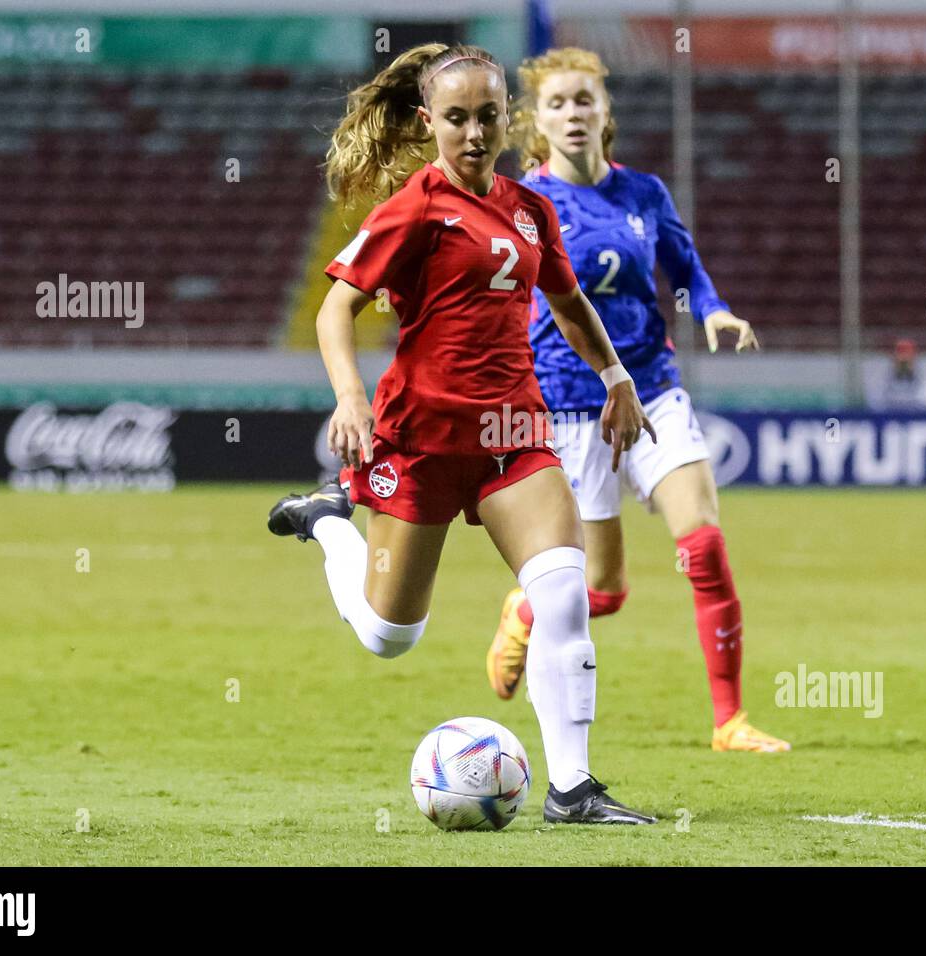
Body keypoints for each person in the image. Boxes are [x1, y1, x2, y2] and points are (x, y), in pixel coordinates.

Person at [266, 44, 658, 824]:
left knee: (563, 592)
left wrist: (618, 379)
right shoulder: (415, 207)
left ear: (507, 119)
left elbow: (572, 305)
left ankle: (572, 789)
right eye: (456, 119)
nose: (473, 133)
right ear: (428, 122)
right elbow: (336, 308)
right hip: (421, 442)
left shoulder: (529, 207)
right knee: (387, 636)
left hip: (515, 435)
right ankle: (328, 525)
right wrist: (350, 399)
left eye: (487, 116)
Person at [483, 47, 790, 754]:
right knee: (606, 591)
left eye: (585, 99)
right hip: (569, 407)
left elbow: (686, 267)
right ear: (537, 120)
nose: (573, 113)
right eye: (558, 102)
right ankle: (525, 610)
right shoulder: (522, 203)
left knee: (704, 542)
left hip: (651, 387)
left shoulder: (645, 193)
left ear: (605, 111)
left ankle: (730, 721)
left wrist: (713, 311)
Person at [871, 338, 926, 411]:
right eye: (900, 355)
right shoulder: (882, 382)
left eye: (907, 355)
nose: (904, 360)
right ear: (894, 358)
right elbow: (875, 403)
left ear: (915, 357)